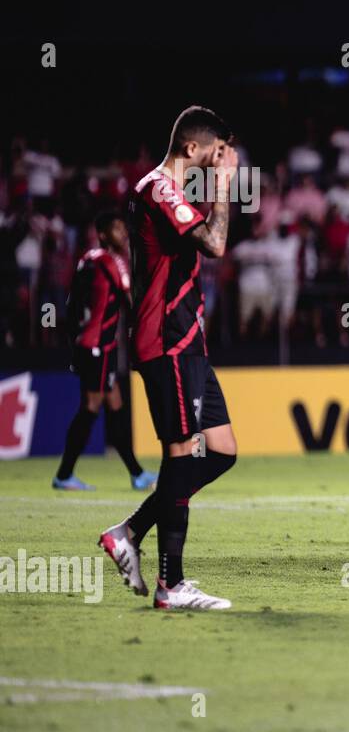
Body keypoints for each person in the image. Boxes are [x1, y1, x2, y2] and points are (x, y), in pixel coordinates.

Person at [97, 106, 240, 611]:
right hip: (165, 342)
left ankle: (130, 531)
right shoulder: (160, 189)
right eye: (216, 152)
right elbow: (217, 243)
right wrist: (223, 184)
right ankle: (171, 585)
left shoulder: (165, 191)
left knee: (220, 450)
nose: (222, 160)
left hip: (187, 343)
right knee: (180, 454)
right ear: (191, 149)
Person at [53, 211, 156, 492]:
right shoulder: (112, 261)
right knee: (91, 407)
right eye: (117, 230)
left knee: (115, 406)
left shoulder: (87, 259)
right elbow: (132, 302)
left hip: (95, 346)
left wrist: (73, 338)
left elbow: (72, 304)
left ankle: (136, 473)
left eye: (124, 229)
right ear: (102, 234)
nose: (123, 234)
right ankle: (64, 474)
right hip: (97, 347)